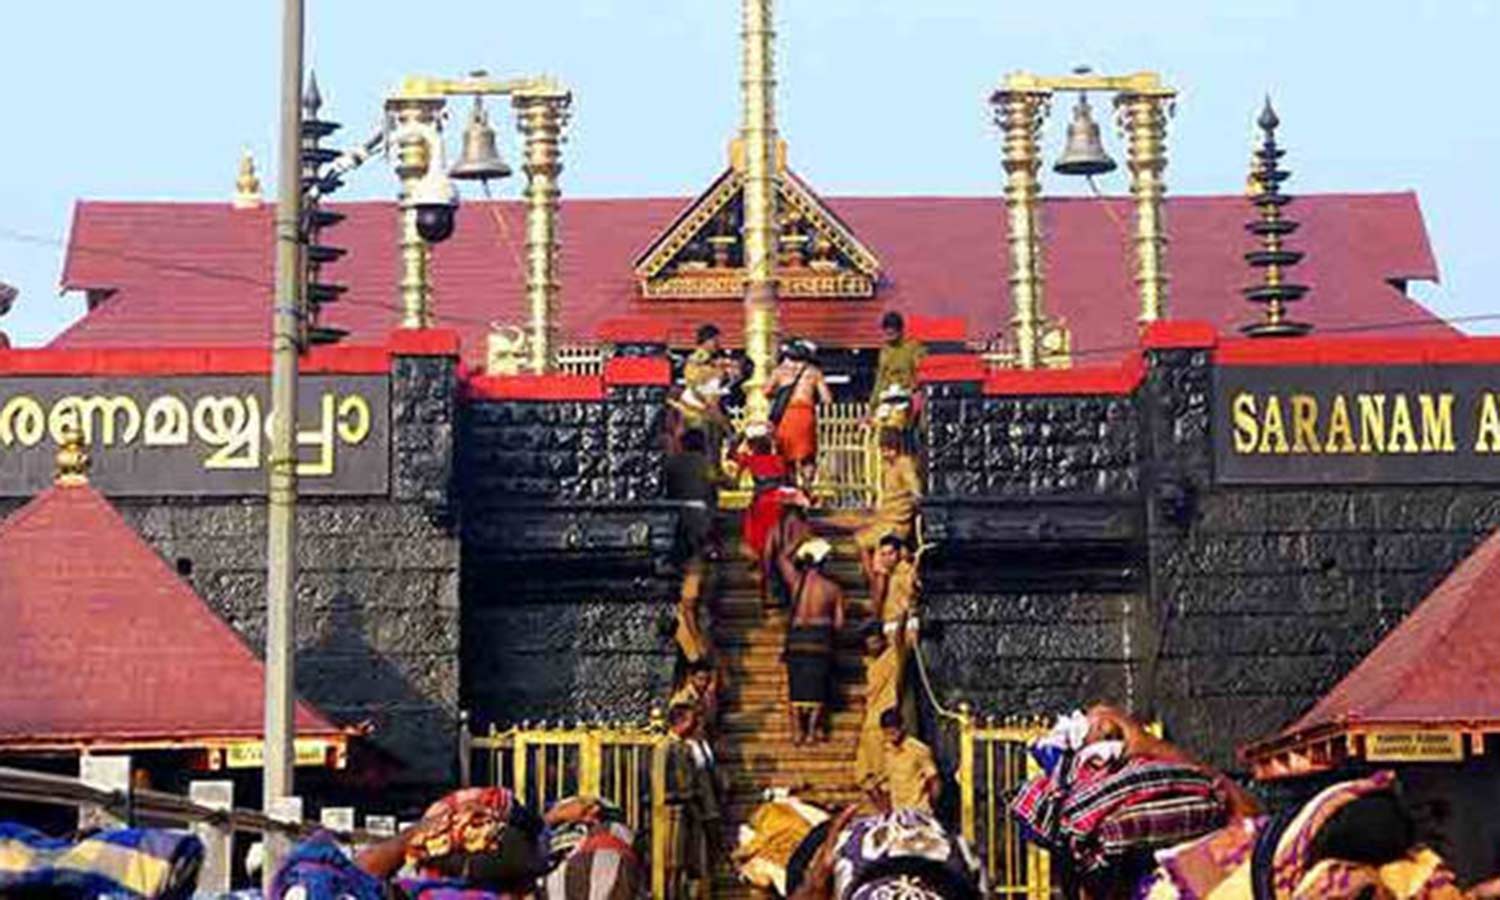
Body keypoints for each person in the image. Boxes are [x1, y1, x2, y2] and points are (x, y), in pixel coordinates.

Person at [778, 536, 846, 745]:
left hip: (797, 639)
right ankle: (813, 730)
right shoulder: (833, 589)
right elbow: (839, 624)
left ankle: (797, 731)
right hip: (820, 640)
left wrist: (800, 542)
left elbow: (781, 557)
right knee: (818, 690)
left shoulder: (795, 582)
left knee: (795, 688)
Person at [666, 429, 718, 663]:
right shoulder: (704, 463)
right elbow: (714, 486)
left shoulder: (672, 463)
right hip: (700, 517)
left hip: (676, 518)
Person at [664, 702, 723, 899]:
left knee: (687, 863)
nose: (696, 723)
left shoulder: (685, 746)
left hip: (692, 810)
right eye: (691, 719)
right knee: (672, 862)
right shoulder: (668, 747)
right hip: (674, 812)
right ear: (680, 721)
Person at [855, 429, 922, 584]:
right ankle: (871, 580)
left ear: (897, 448)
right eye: (883, 450)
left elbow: (916, 491)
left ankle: (873, 582)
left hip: (897, 522)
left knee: (864, 543)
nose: (885, 454)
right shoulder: (887, 467)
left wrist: (911, 508)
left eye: (889, 450)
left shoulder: (905, 464)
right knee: (860, 541)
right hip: (886, 518)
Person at [765, 339, 832, 490]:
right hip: (806, 415)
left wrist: (781, 394)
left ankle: (791, 489)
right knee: (807, 456)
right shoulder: (814, 372)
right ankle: (807, 487)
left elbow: (766, 391)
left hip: (786, 416)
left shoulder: (780, 371)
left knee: (787, 457)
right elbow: (827, 399)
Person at [873, 708, 939, 815]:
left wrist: (931, 805)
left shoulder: (918, 749)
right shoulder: (885, 751)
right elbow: (884, 783)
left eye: (893, 732)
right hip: (897, 812)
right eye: (887, 733)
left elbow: (934, 780)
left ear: (902, 727)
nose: (890, 737)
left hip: (918, 810)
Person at [869, 311, 926, 414]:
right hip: (888, 396)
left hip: (908, 395)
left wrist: (916, 391)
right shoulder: (885, 351)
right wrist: (872, 407)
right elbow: (880, 379)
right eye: (887, 333)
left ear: (900, 331)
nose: (889, 337)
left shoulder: (912, 347)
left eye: (892, 333)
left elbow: (920, 372)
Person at [670, 657, 720, 733]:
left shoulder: (707, 697)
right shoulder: (682, 698)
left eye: (707, 679)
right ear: (692, 678)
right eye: (700, 679)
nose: (704, 683)